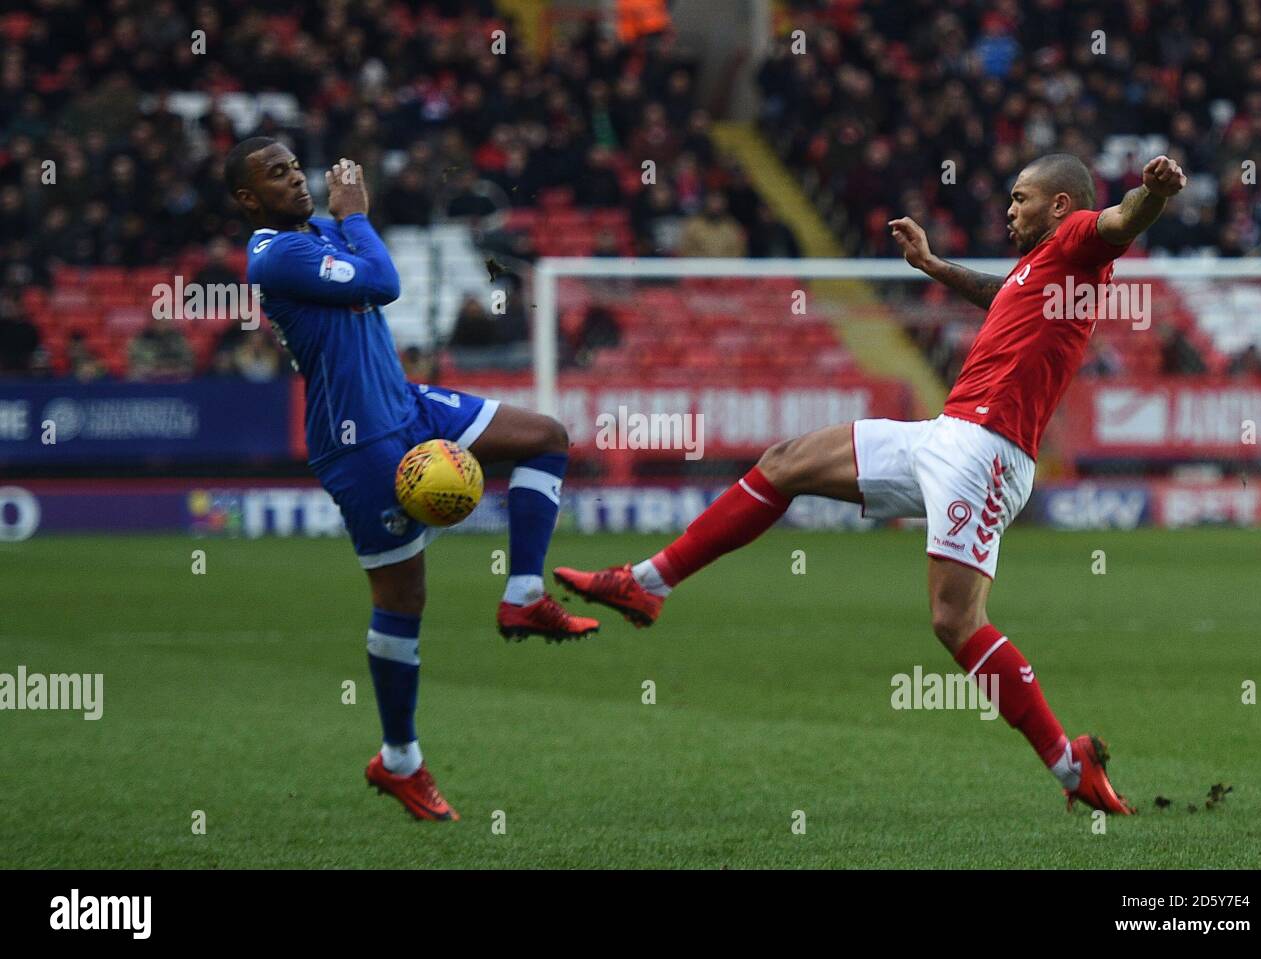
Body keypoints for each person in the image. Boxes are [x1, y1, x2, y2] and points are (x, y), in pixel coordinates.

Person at [556, 153, 1188, 816]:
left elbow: (1122, 220)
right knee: (786, 461)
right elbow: (1004, 295)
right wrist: (937, 268)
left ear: (1061, 204)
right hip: (946, 435)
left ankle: (1070, 763)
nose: (1009, 209)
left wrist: (1153, 193)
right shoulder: (1043, 270)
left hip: (987, 453)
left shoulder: (1082, 236)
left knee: (954, 620)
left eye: (1021, 197)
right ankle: (648, 583)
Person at [226, 137, 599, 822]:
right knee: (404, 600)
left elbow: (366, 269)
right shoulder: (275, 255)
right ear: (248, 199)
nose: (293, 179)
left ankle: (523, 593)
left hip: (406, 402)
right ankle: (399, 759)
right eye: (274, 175)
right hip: (360, 443)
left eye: (292, 166)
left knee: (545, 437)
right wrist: (357, 215)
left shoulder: (316, 235)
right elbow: (385, 284)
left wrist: (345, 218)